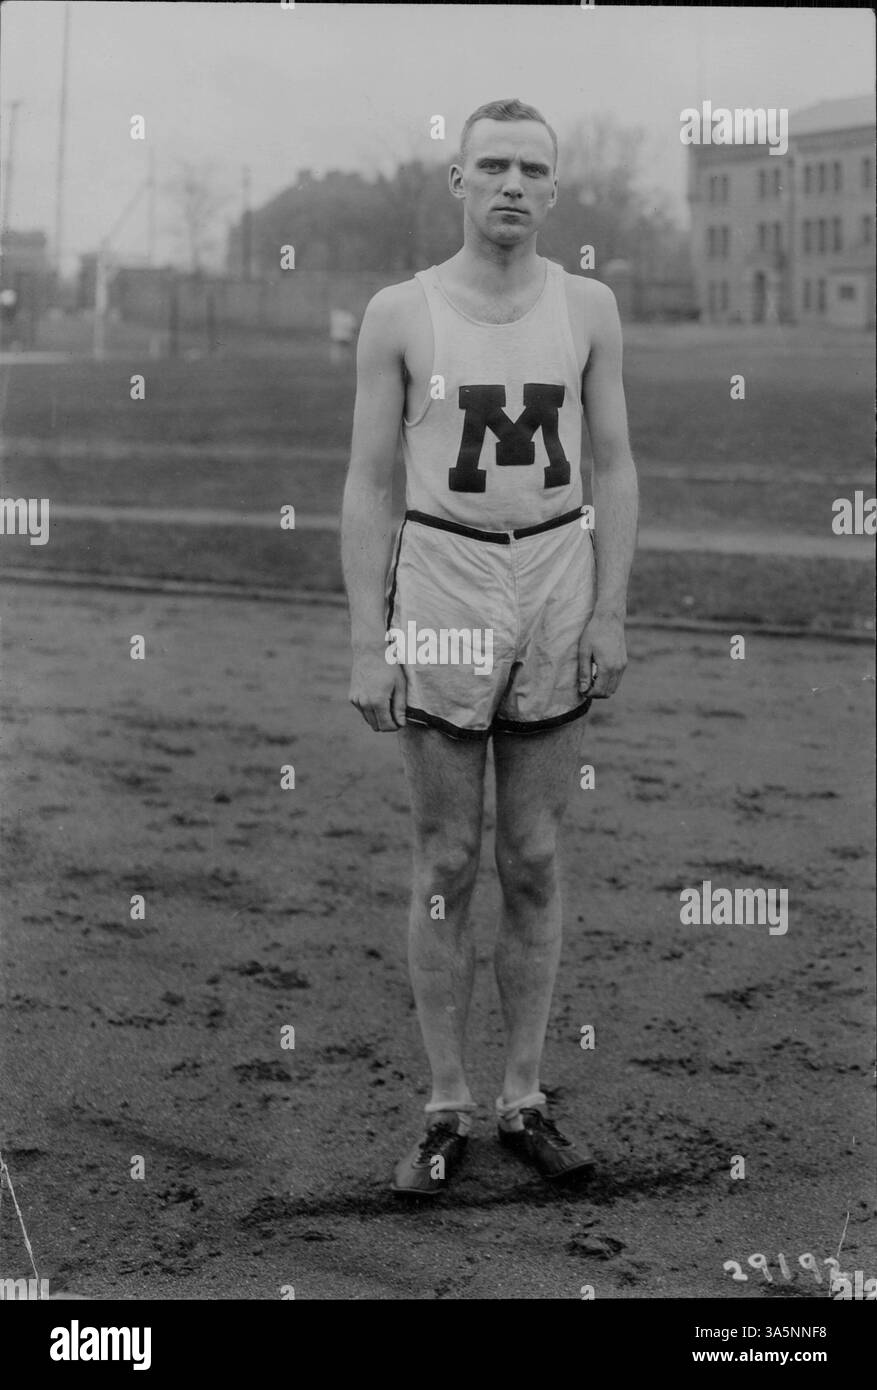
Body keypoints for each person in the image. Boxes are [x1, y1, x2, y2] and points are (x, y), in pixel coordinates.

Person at [341, 98, 638, 1196]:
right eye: (491, 166)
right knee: (446, 858)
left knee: (535, 855)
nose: (511, 184)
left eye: (531, 168)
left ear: (554, 189)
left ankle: (523, 1096)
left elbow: (614, 466)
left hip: (556, 567)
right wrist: (368, 639)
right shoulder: (400, 312)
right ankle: (443, 1104)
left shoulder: (591, 306)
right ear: (457, 181)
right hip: (444, 573)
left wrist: (609, 608)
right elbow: (371, 483)